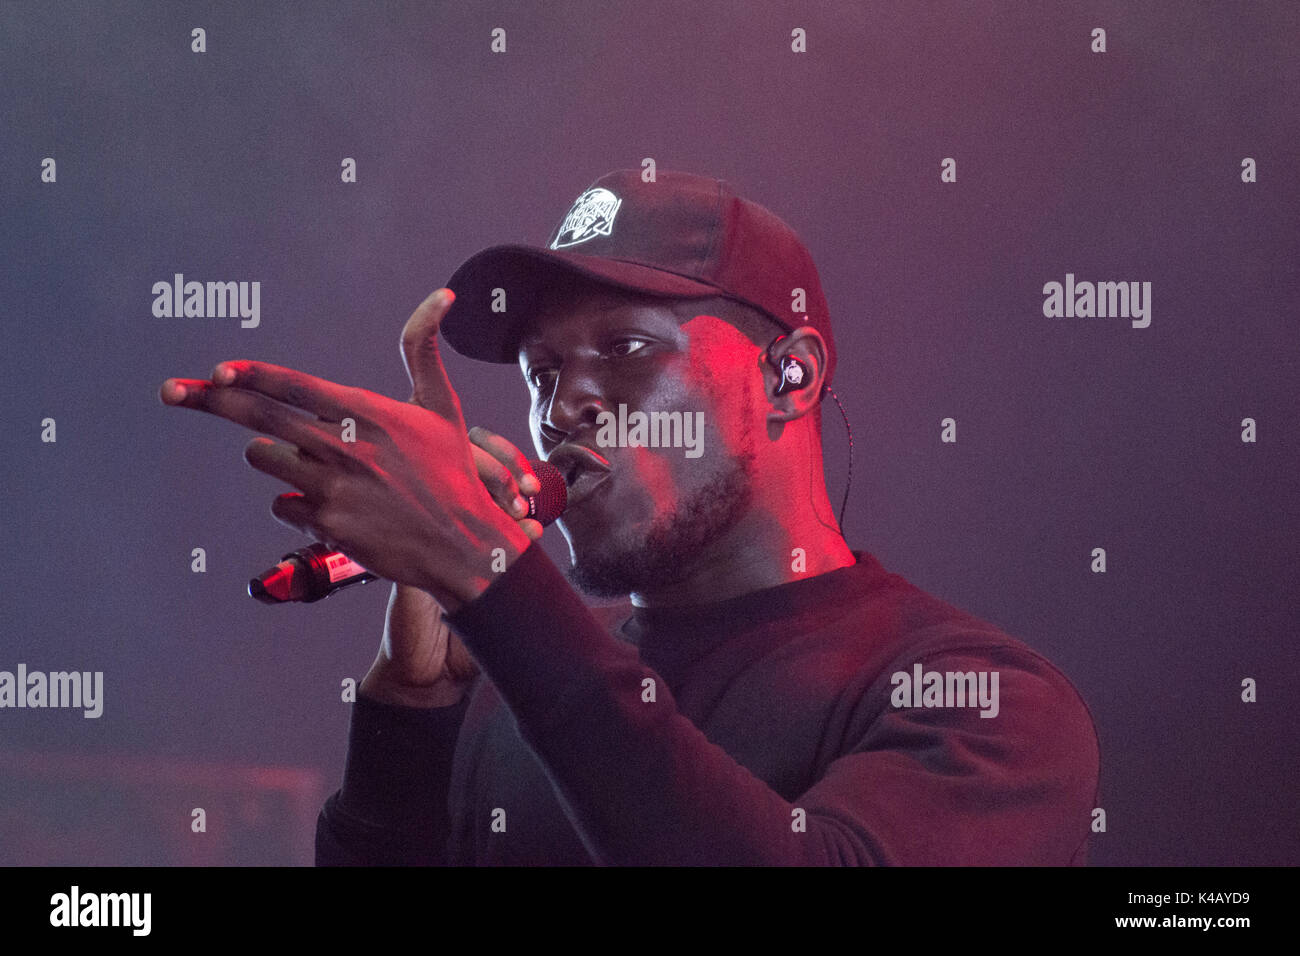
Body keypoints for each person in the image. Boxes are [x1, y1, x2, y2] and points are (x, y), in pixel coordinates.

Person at [163, 169, 1100, 865]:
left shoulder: (982, 699)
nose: (563, 407)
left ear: (791, 375)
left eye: (625, 349)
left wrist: (489, 577)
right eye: (543, 373)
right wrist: (409, 719)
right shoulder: (505, 688)